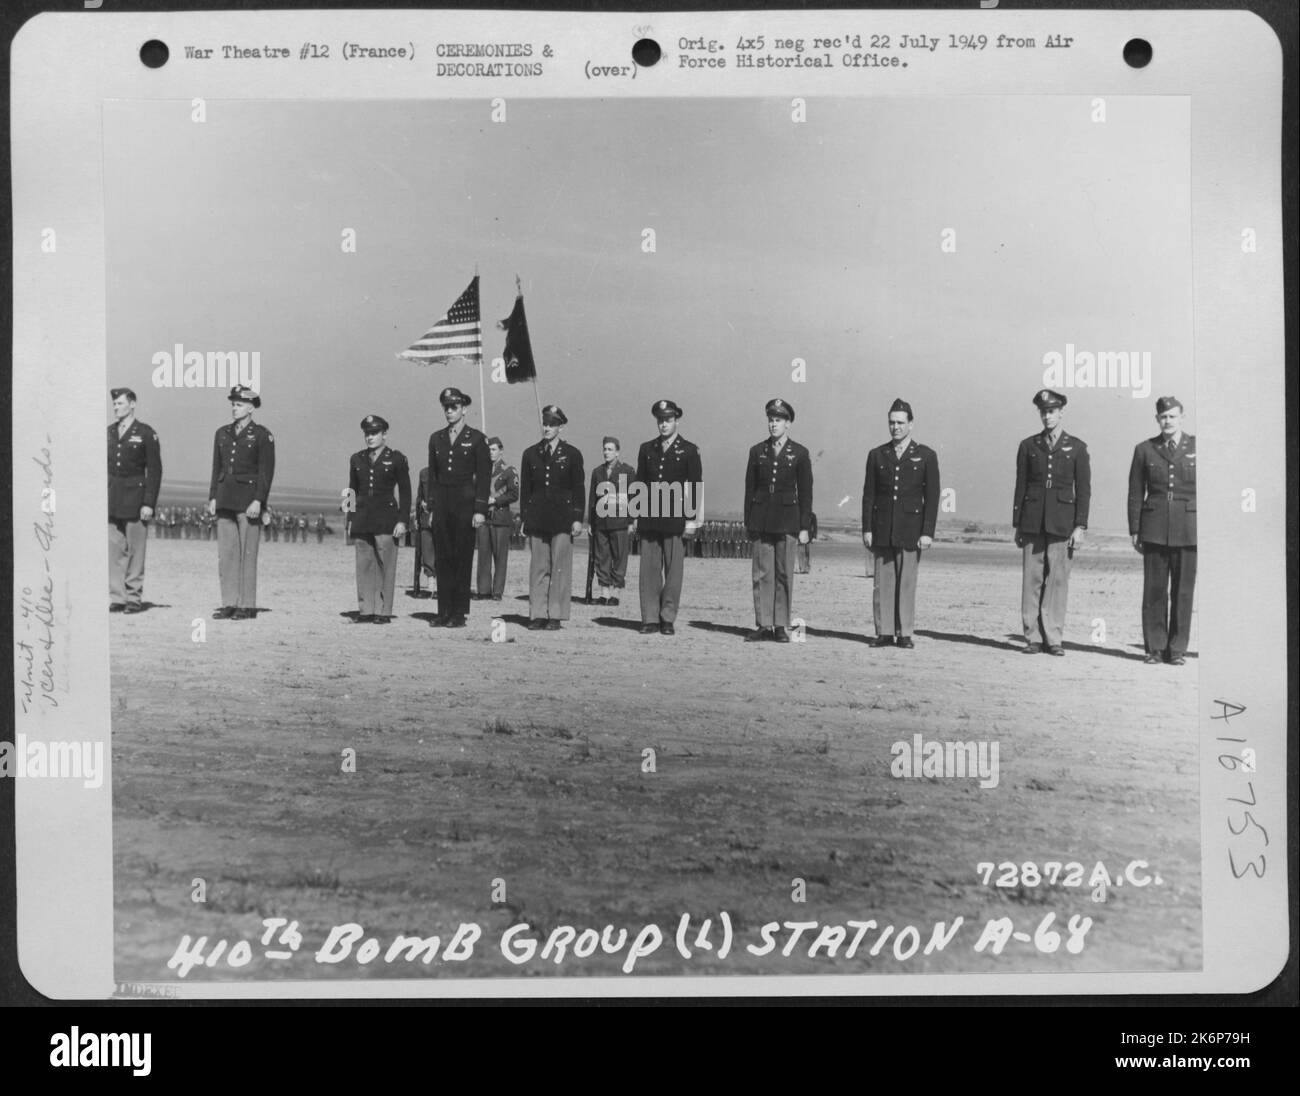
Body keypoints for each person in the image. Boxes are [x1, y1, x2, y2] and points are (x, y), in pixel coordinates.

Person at [1012, 389, 1091, 656]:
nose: (1047, 416)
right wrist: (1018, 523)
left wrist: (1080, 525)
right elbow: (1020, 486)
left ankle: (1053, 637)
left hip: (1062, 524)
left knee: (1057, 582)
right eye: (1043, 411)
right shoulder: (1028, 446)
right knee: (1031, 581)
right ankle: (1032, 637)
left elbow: (1084, 490)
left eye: (1052, 411)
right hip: (1032, 522)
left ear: (1061, 413)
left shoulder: (1077, 447)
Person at [861, 398, 940, 649]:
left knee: (906, 582)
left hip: (911, 529)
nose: (895, 427)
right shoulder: (877, 455)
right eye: (891, 422)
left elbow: (933, 497)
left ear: (911, 424)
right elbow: (869, 495)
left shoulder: (926, 455)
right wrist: (867, 529)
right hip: (883, 528)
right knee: (883, 582)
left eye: (900, 423)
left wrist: (927, 532)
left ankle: (904, 632)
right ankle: (884, 632)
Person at [1128, 396, 1197, 666]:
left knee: (1183, 592)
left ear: (1182, 417)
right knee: (1154, 591)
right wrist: (1135, 528)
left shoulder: (1198, 447)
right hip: (1154, 527)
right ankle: (1155, 648)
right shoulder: (1145, 449)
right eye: (1163, 417)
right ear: (1157, 419)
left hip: (1189, 528)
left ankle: (1177, 649)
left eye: (1172, 416)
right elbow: (1135, 492)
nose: (1168, 421)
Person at [743, 398, 813, 642]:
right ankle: (763, 624)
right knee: (762, 574)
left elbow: (805, 492)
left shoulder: (800, 453)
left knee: (784, 574)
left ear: (788, 423)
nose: (773, 425)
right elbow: (749, 489)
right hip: (761, 519)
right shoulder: (757, 451)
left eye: (779, 420)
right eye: (771, 420)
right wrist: (748, 522)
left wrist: (804, 526)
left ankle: (781, 625)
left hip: (787, 521)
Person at [635, 399, 703, 636]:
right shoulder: (647, 449)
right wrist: (636, 516)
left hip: (675, 518)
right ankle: (650, 618)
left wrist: (692, 520)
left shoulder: (689, 450)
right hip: (650, 517)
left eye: (668, 420)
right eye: (660, 420)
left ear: (677, 420)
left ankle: (667, 618)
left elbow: (694, 486)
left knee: (673, 572)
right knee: (649, 571)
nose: (664, 425)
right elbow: (640, 483)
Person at [208, 385, 275, 619]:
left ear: (250, 407)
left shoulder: (261, 435)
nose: (234, 409)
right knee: (226, 555)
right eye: (233, 404)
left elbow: (265, 472)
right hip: (225, 498)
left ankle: (246, 605)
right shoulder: (222, 433)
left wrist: (259, 500)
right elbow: (217, 468)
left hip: (248, 502)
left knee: (247, 554)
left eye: (238, 405)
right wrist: (213, 497)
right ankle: (229, 602)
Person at [426, 387, 489, 628]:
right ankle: (443, 611)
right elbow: (433, 476)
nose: (450, 411)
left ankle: (459, 613)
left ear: (464, 409)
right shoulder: (436, 438)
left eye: (454, 407)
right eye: (446, 407)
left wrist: (480, 509)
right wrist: (431, 508)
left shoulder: (476, 439)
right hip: (442, 505)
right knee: (443, 558)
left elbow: (483, 476)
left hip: (466, 505)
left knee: (462, 558)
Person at [519, 407, 585, 630]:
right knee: (538, 568)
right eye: (545, 424)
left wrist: (577, 518)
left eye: (552, 424)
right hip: (537, 518)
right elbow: (525, 491)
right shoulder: (530, 454)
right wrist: (524, 518)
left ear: (560, 427)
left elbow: (578, 489)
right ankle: (537, 613)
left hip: (562, 519)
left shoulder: (572, 454)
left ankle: (555, 614)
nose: (547, 428)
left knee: (559, 568)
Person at [344, 415, 411, 624]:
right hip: (362, 518)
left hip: (386, 519)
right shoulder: (357, 458)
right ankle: (366, 610)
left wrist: (402, 521)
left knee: (386, 564)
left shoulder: (397, 458)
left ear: (384, 435)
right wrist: (349, 518)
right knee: (364, 564)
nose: (370, 437)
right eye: (367, 433)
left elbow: (406, 492)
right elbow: (351, 489)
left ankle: (383, 611)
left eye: (374, 433)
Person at [107, 387, 162, 613]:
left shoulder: (146, 433)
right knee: (114, 550)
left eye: (120, 403)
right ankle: (118, 597)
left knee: (136, 551)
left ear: (132, 404)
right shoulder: (109, 432)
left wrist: (149, 502)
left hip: (137, 499)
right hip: (113, 498)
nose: (116, 408)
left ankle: (133, 598)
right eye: (114, 404)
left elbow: (155, 470)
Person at [588, 436, 636, 606]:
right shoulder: (597, 472)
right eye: (604, 449)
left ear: (617, 452)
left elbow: (632, 497)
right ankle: (604, 593)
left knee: (619, 557)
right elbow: (593, 499)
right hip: (601, 522)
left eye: (610, 449)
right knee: (602, 557)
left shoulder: (627, 471)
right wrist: (591, 524)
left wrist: (631, 521)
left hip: (620, 521)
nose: (606, 452)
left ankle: (616, 593)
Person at [476, 437, 519, 601]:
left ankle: (497, 591)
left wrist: (496, 500)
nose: (491, 453)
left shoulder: (509, 470)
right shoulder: (482, 469)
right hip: (484, 517)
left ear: (501, 451)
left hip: (500, 517)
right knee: (483, 555)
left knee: (500, 557)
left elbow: (514, 494)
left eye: (493, 449)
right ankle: (483, 590)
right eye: (489, 450)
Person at [416, 466, 437, 590]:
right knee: (427, 548)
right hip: (425, 516)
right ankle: (430, 577)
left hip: (442, 516)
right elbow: (419, 495)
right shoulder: (424, 473)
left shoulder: (448, 471)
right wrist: (420, 506)